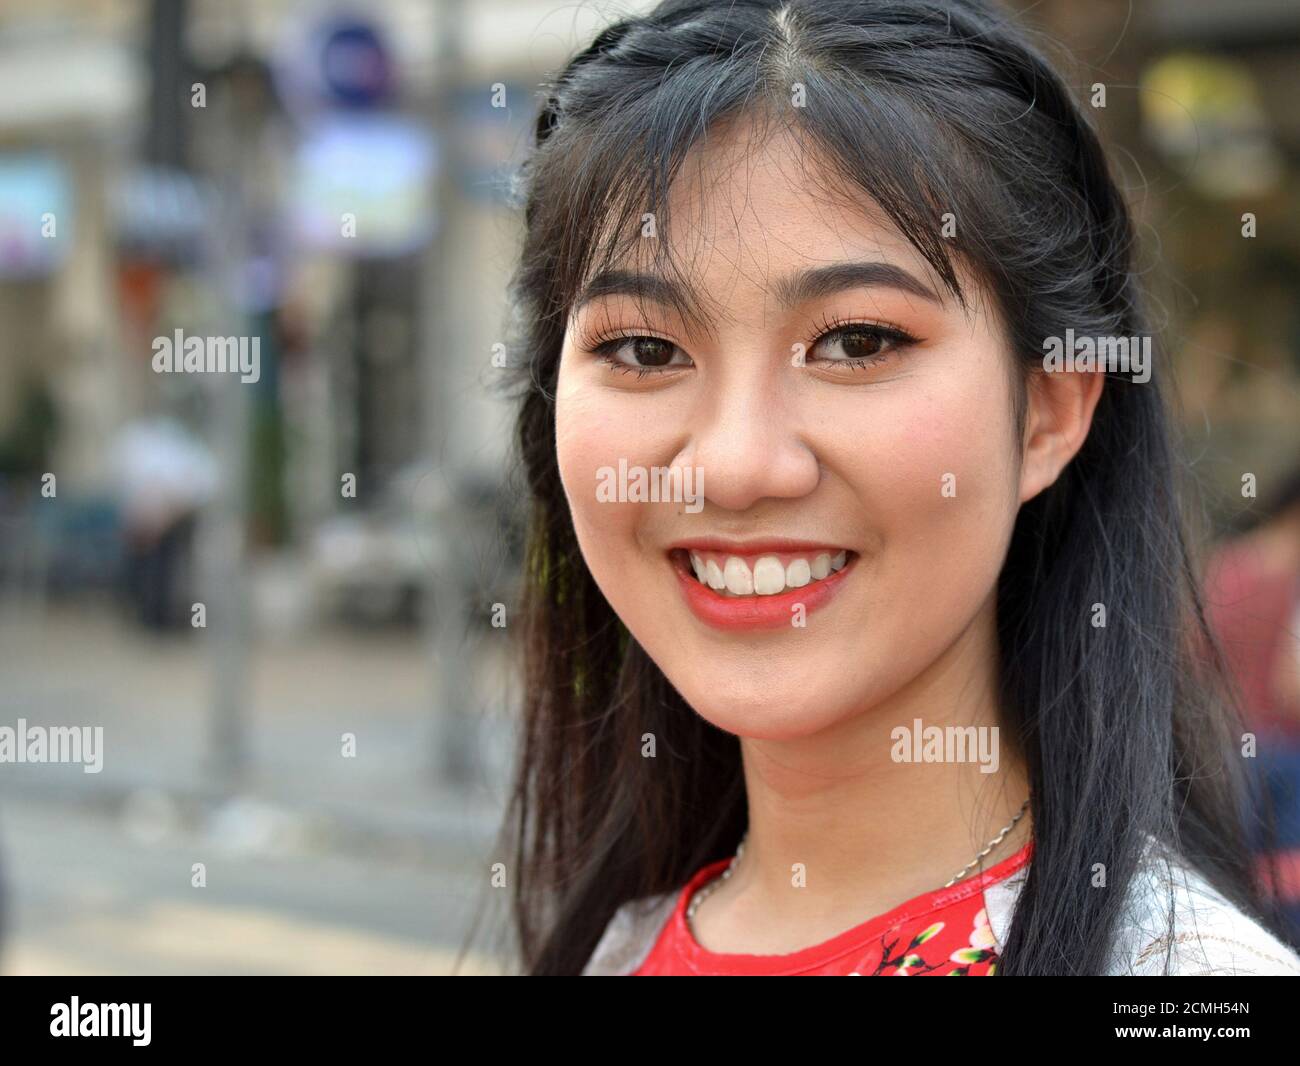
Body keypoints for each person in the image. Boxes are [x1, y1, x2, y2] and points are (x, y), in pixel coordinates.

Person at [488, 0, 1300, 975]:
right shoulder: (612, 951)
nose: (737, 464)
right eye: (643, 347)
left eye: (857, 341)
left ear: (1046, 410)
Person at [1205, 467, 1300, 945]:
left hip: (1228, 747)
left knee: (1235, 876)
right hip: (1286, 750)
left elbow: (1193, 655)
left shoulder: (1229, 566)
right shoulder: (1292, 577)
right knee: (1288, 881)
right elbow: (1291, 685)